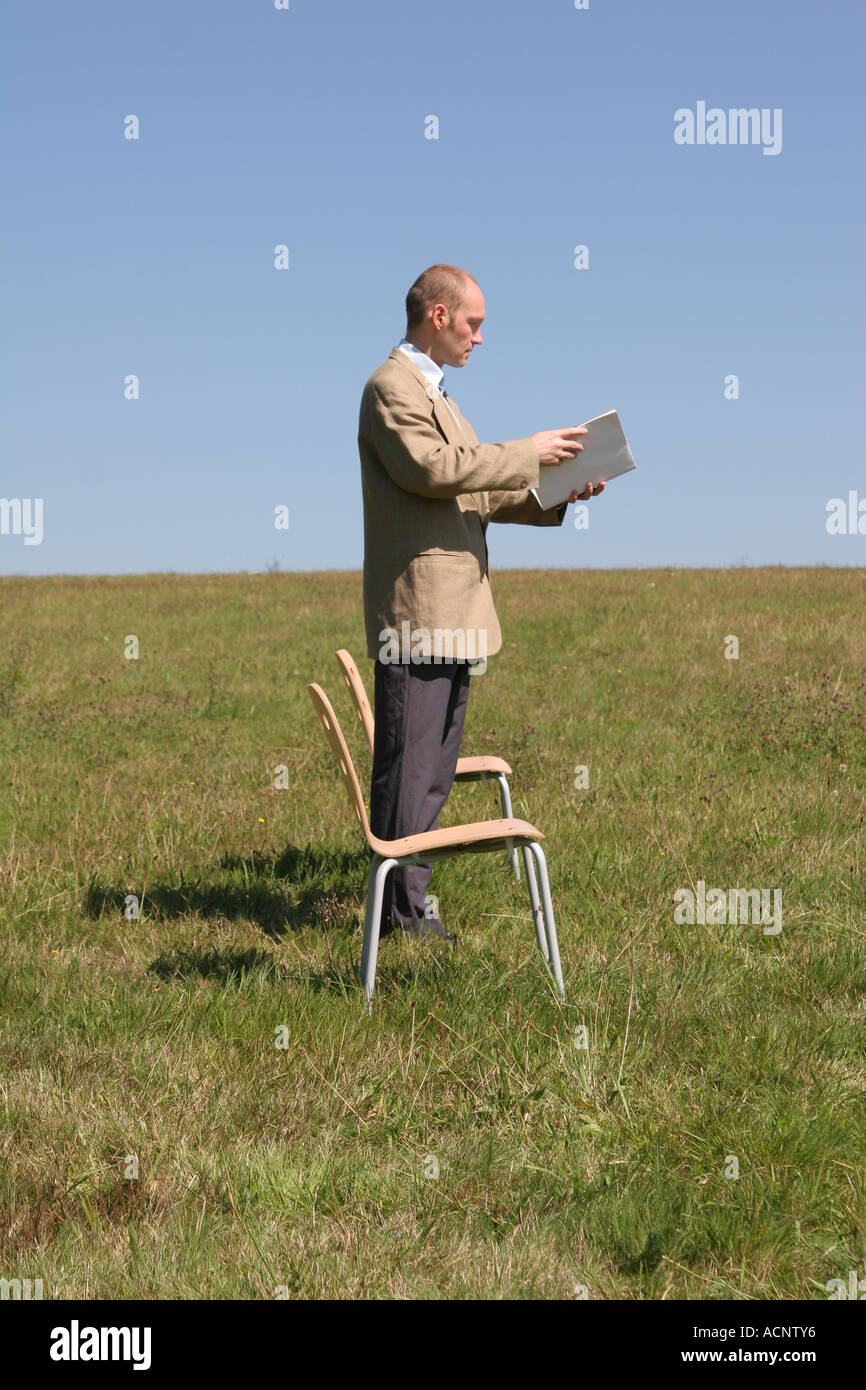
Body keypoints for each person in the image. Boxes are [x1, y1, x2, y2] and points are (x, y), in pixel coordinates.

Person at [357, 263, 604, 942]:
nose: (480, 337)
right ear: (437, 316)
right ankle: (401, 916)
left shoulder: (443, 399)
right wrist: (528, 451)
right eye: (474, 323)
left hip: (455, 617)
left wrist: (556, 491)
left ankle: (406, 908)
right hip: (420, 615)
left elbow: (479, 491)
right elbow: (435, 471)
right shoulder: (389, 389)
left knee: (430, 772)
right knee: (411, 769)